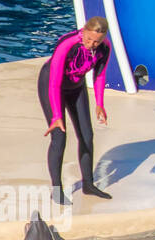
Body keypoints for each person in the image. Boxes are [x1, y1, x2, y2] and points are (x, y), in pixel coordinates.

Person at [41, 17, 113, 204]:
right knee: (59, 137)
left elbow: (100, 75)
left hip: (76, 87)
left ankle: (88, 185)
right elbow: (55, 82)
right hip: (51, 84)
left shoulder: (104, 48)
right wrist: (57, 115)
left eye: (96, 41)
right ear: (84, 31)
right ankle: (57, 190)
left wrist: (100, 104)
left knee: (87, 136)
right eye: (88, 39)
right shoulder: (68, 44)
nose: (91, 44)